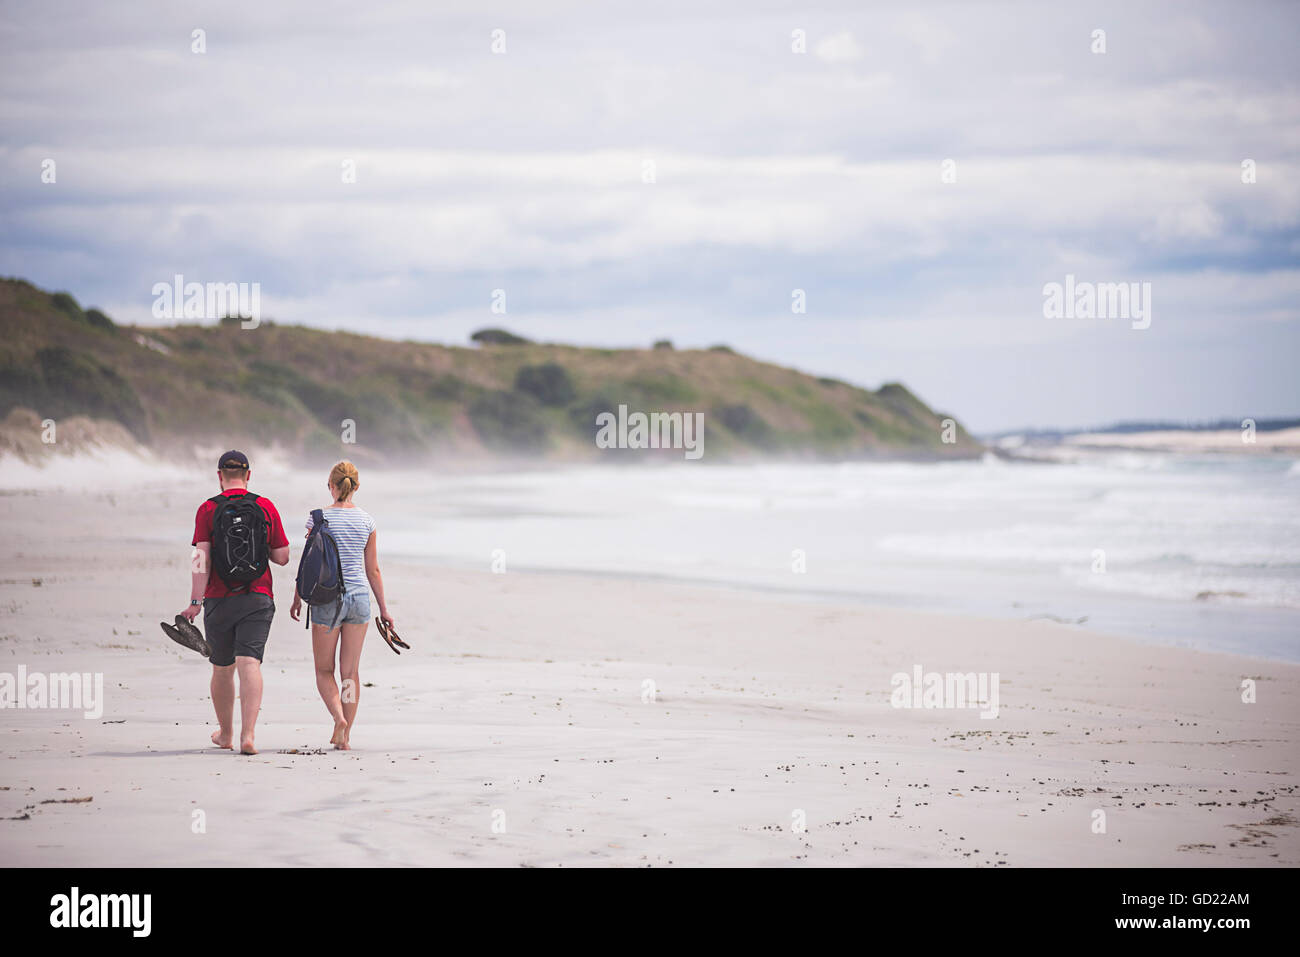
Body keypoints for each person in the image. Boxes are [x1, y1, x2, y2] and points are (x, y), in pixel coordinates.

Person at [184, 450, 290, 755]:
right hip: (258, 597)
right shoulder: (264, 506)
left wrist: (195, 601)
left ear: (219, 476)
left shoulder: (207, 509)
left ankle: (226, 734)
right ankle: (249, 735)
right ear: (248, 476)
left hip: (219, 600)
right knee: (249, 663)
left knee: (221, 668)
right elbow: (282, 557)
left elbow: (200, 557)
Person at [290, 461, 392, 750]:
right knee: (350, 673)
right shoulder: (367, 521)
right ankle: (345, 738)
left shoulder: (318, 519)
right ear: (356, 487)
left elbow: (308, 563)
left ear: (330, 486)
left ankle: (338, 718)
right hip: (359, 599)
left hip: (326, 599)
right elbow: (373, 570)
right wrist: (384, 608)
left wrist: (298, 596)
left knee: (324, 670)